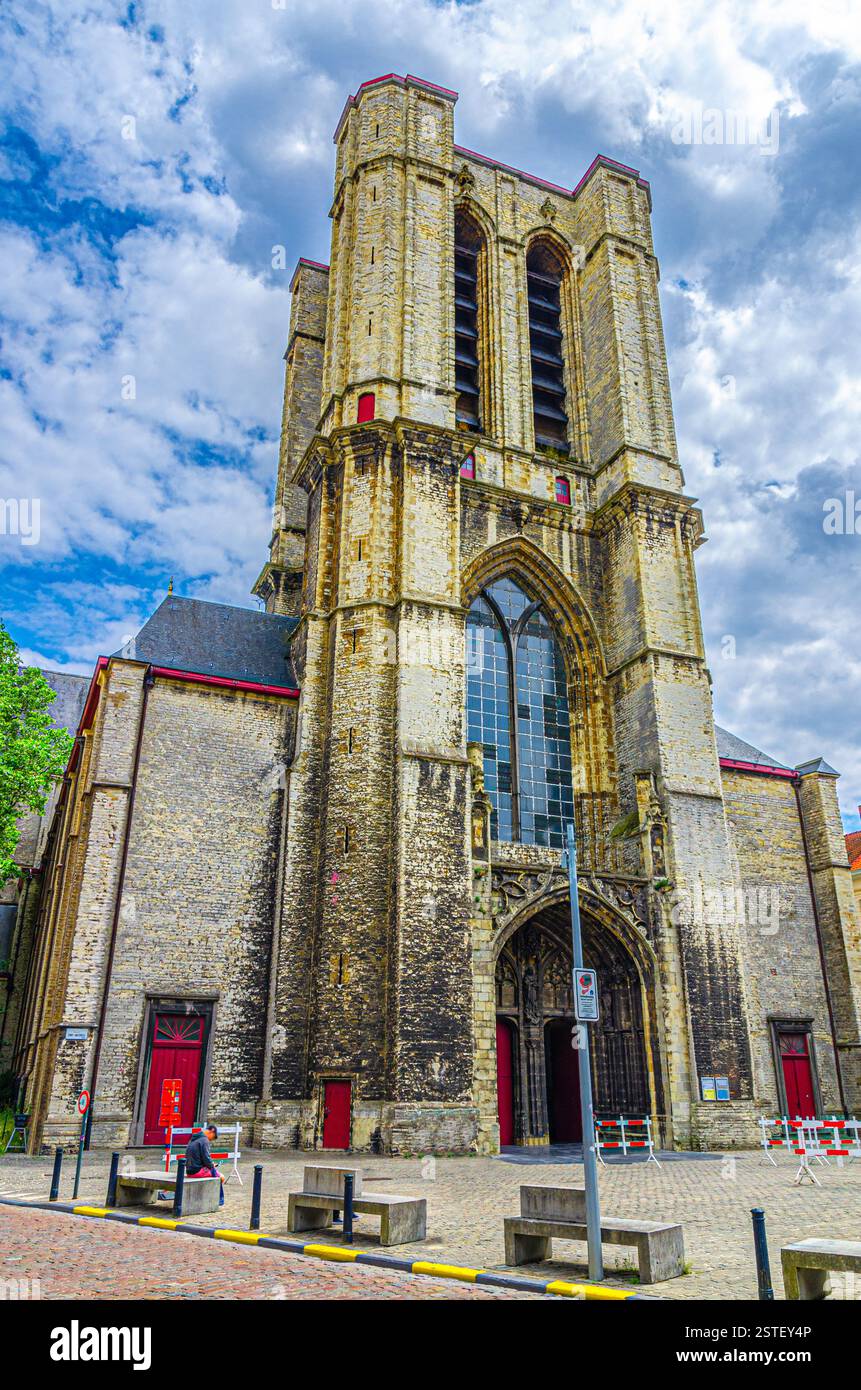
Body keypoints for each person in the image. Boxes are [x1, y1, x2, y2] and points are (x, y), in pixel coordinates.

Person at [185, 1122, 225, 1206]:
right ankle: (218, 1200)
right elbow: (206, 1159)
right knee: (221, 1177)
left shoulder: (194, 1138)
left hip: (189, 1171)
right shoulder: (204, 1140)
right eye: (212, 1138)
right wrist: (211, 1165)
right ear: (212, 1131)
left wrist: (210, 1164)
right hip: (197, 1171)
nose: (211, 1140)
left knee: (213, 1171)